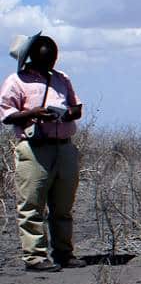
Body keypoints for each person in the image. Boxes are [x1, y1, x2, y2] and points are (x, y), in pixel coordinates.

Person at [1, 33, 85, 271]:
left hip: (64, 146)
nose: (51, 62)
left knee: (63, 205)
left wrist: (68, 113)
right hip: (34, 149)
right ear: (32, 57)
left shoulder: (61, 79)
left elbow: (76, 107)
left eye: (53, 57)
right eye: (46, 58)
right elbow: (7, 115)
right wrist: (34, 113)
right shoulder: (16, 82)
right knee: (31, 204)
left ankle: (64, 253)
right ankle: (35, 257)